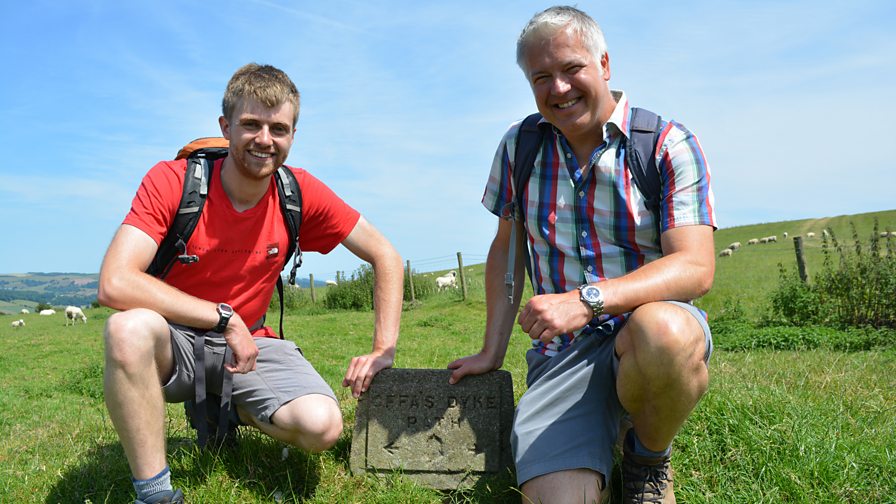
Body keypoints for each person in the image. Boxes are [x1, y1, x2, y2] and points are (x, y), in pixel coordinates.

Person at [97, 63, 403, 504]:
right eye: (251, 124)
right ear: (226, 127)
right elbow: (115, 281)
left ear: (293, 135)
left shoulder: (299, 192)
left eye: (279, 128)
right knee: (126, 329)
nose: (265, 139)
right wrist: (224, 318)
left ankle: (222, 408)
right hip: (174, 341)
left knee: (322, 427)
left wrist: (383, 349)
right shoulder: (172, 181)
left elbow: (385, 254)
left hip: (250, 347)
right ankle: (155, 493)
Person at [448, 6, 716, 503]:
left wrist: (586, 300)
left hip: (645, 334)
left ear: (604, 64)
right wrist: (492, 350)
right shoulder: (519, 147)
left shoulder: (666, 144)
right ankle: (603, 428)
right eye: (541, 77)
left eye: (572, 68)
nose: (559, 88)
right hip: (563, 353)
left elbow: (696, 267)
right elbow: (507, 249)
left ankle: (647, 457)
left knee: (665, 331)